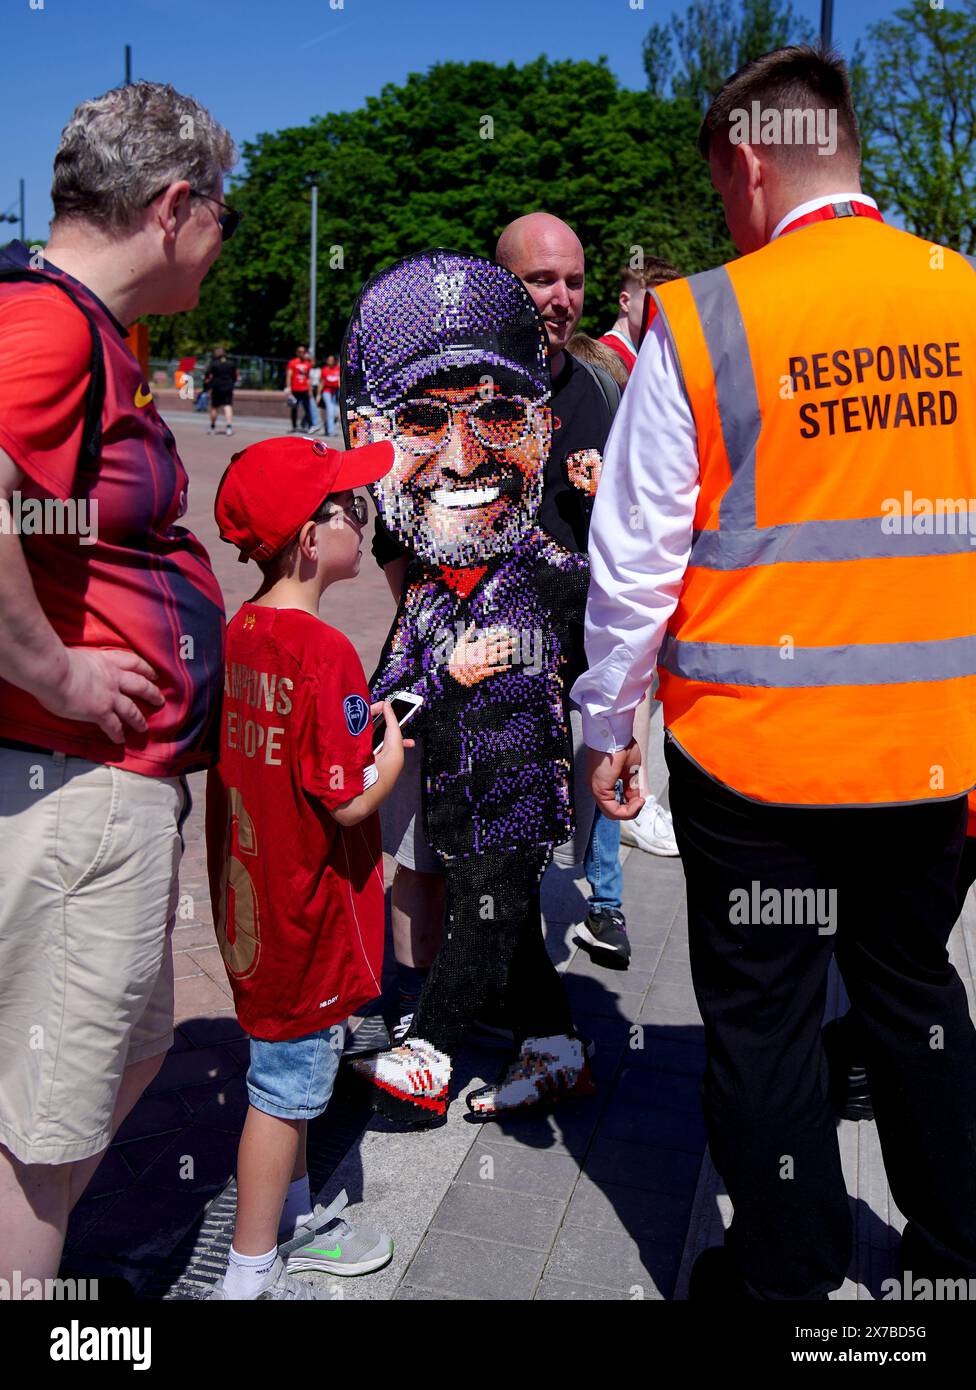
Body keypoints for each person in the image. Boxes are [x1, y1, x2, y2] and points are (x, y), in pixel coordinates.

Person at [574, 43, 976, 1300]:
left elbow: (634, 559)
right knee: (914, 995)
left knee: (763, 1018)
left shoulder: (700, 319)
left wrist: (605, 720)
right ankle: (954, 1257)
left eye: (722, 189)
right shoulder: (961, 295)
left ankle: (786, 1267)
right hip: (926, 758)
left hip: (757, 767)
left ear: (748, 161)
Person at [0, 79, 234, 1286]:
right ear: (174, 205)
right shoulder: (48, 324)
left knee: (112, 1057)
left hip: (105, 789)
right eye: (221, 216)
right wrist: (54, 668)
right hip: (80, 787)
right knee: (46, 1122)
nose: (220, 239)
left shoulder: (87, 331)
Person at [356, 213, 641, 1043]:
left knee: (511, 860)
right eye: (539, 280)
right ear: (496, 283)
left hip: (561, 674)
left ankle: (497, 1019)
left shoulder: (597, 392)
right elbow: (392, 524)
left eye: (574, 281)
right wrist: (441, 636)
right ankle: (414, 1007)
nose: (560, 298)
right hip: (449, 667)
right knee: (419, 857)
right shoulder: (445, 377)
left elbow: (627, 537)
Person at [206, 434, 400, 1299]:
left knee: (277, 1066)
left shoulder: (239, 629)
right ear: (309, 540)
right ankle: (249, 1273)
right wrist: (392, 751)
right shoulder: (324, 653)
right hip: (305, 910)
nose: (364, 520)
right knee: (283, 1094)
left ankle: (291, 1218)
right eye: (349, 507)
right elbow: (349, 801)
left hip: (251, 903)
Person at [598, 258, 683, 377]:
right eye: (656, 302)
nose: (666, 312)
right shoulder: (605, 358)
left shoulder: (643, 357)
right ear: (625, 301)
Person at [205, 344, 239, 435]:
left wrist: (208, 385)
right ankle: (229, 427)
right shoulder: (231, 363)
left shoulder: (213, 363)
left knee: (214, 407)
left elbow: (207, 375)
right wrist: (232, 382)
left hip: (216, 387)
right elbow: (235, 375)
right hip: (228, 386)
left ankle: (212, 427)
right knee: (228, 406)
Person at [285, 345, 313, 432]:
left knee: (307, 408)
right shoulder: (292, 362)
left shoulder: (307, 364)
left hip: (304, 389)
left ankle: (309, 426)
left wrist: (310, 390)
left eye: (303, 352)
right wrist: (288, 387)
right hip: (295, 389)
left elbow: (308, 377)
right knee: (294, 408)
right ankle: (294, 426)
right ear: (297, 353)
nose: (302, 353)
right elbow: (289, 375)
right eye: (300, 352)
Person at [320, 353, 341, 437]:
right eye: (329, 360)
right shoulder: (324, 370)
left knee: (335, 412)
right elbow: (321, 383)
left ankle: (327, 427)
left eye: (331, 360)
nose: (330, 361)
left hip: (336, 392)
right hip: (327, 392)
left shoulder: (338, 369)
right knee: (330, 411)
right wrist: (318, 395)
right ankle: (330, 431)